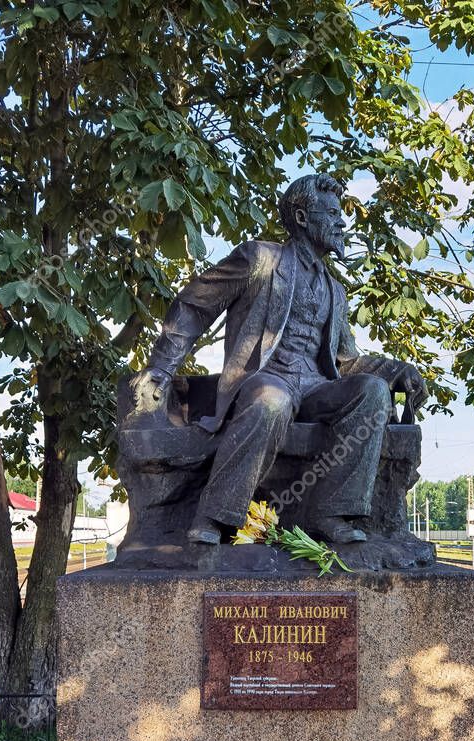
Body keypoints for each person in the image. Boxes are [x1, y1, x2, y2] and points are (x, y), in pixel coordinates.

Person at [144, 173, 427, 545]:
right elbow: (194, 305)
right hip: (267, 379)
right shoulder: (259, 259)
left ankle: (330, 513)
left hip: (315, 388)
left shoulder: (335, 290)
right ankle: (215, 517)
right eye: (331, 213)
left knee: (372, 392)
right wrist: (161, 369)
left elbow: (344, 362)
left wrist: (397, 371)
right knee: (271, 400)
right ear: (302, 218)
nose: (342, 222)